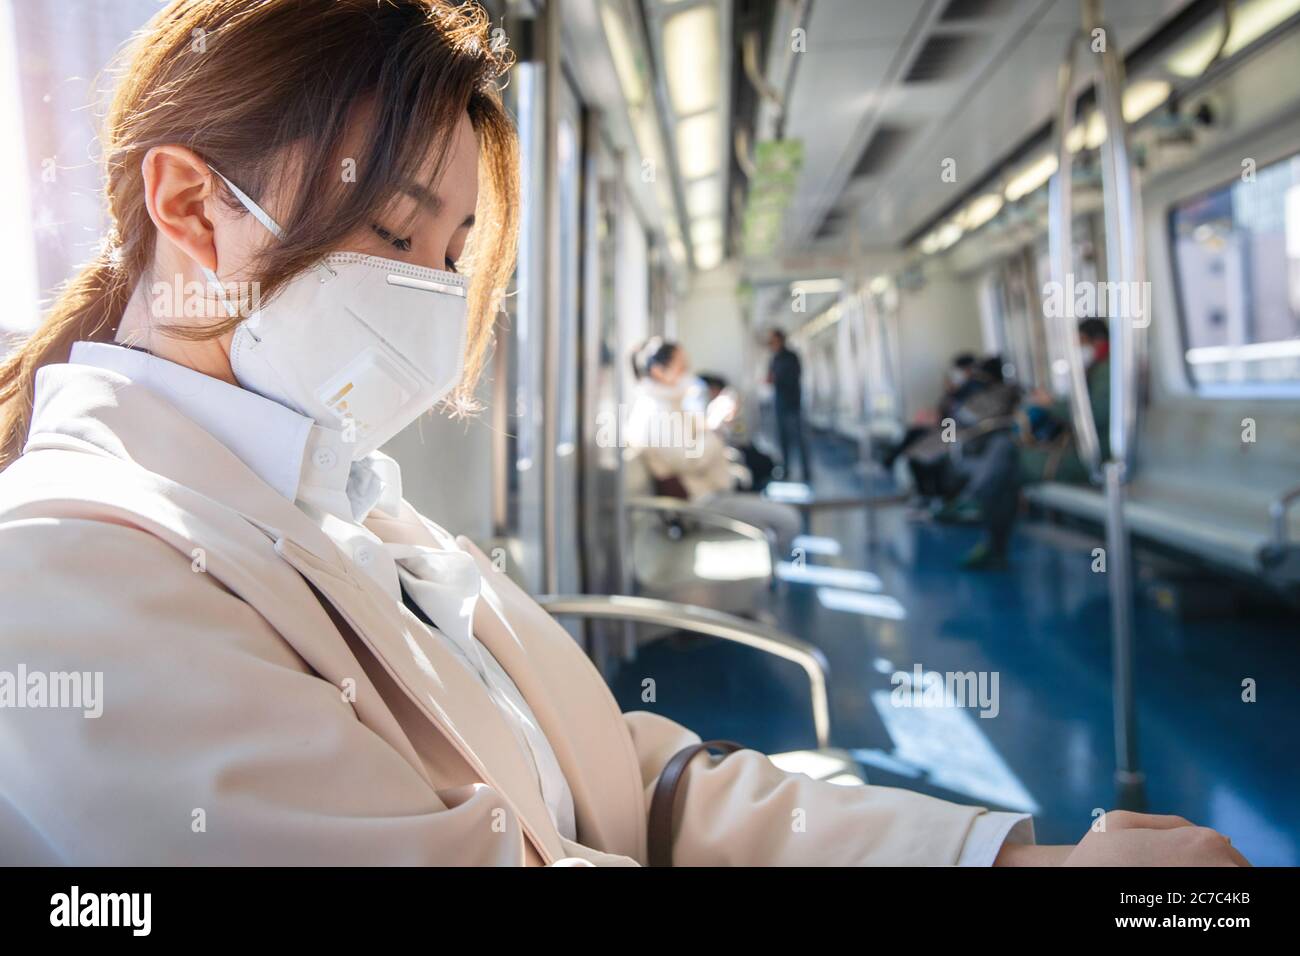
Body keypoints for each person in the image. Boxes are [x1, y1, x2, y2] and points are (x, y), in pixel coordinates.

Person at [0, 0, 1246, 867]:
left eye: (449, 260)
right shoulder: (64, 575)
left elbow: (627, 783)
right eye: (395, 235)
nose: (430, 301)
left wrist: (1001, 854)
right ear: (188, 205)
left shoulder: (349, 499)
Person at [962, 319, 1111, 570]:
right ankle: (987, 525)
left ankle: (986, 523)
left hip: (1095, 457)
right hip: (1078, 449)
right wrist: (1052, 401)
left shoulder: (1106, 371)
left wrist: (1049, 405)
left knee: (1007, 460)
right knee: (1005, 458)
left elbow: (1096, 414)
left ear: (1096, 342)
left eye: (1080, 344)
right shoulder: (1096, 368)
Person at [627, 339, 798, 551]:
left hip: (705, 494)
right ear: (659, 371)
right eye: (682, 367)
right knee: (788, 521)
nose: (688, 374)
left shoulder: (667, 407)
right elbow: (691, 458)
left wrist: (715, 420)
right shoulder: (654, 414)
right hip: (700, 506)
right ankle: (765, 580)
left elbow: (693, 435)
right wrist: (717, 428)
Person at [698, 372, 774, 492]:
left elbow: (716, 427)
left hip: (739, 446)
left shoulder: (725, 400)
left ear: (713, 388)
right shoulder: (723, 400)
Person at [765, 328, 812, 483]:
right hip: (780, 404)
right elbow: (770, 377)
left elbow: (792, 377)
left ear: (780, 340)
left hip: (793, 404)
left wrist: (777, 378)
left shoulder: (791, 357)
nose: (772, 344)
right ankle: (786, 470)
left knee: (799, 440)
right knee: (783, 440)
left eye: (773, 340)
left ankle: (806, 473)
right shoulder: (774, 359)